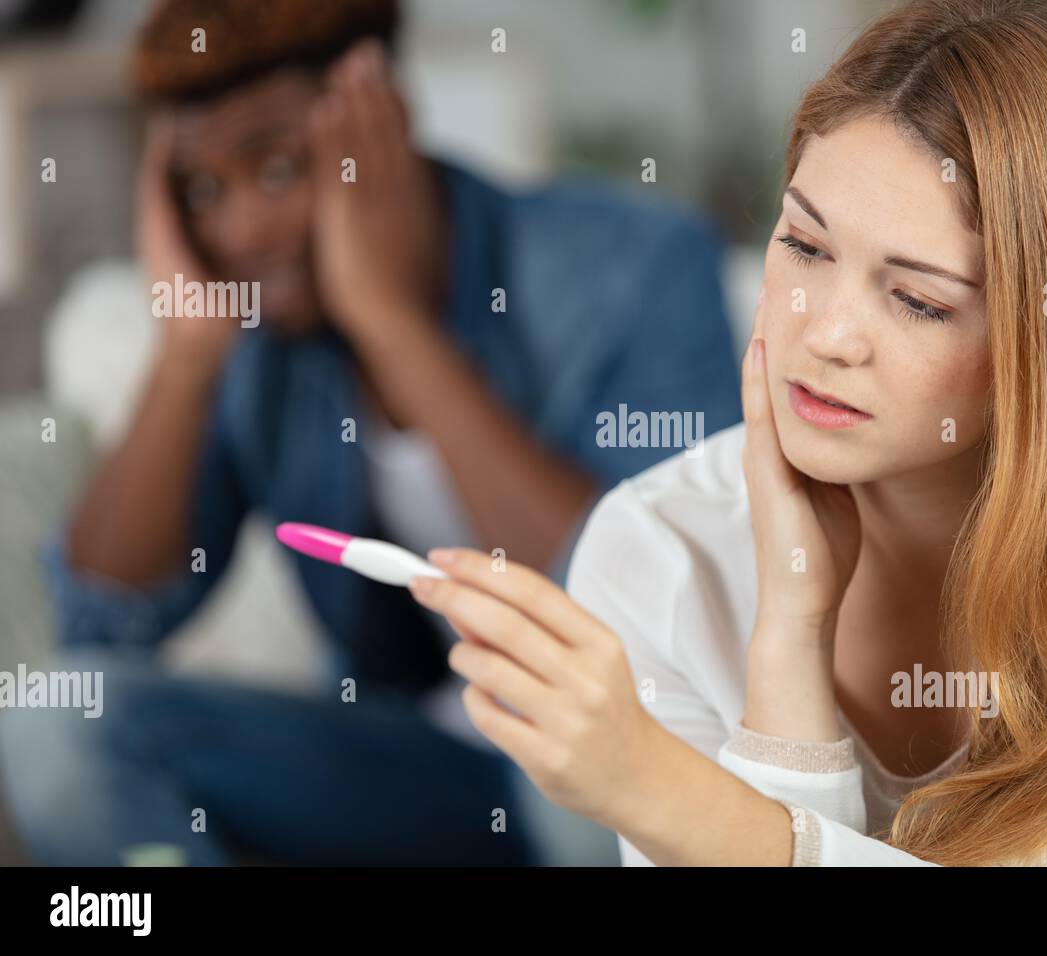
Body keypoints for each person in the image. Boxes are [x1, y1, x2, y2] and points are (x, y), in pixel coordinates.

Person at [405, 0, 1047, 866]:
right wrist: (791, 633)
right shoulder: (659, 548)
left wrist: (670, 797)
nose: (825, 334)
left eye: (917, 299)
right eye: (803, 246)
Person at [0, 0, 741, 865]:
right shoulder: (260, 340)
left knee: (600, 742)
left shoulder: (633, 269)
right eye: (205, 191)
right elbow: (101, 622)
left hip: (604, 773)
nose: (240, 230)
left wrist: (392, 324)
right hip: (413, 778)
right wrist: (187, 355)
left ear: (378, 113)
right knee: (59, 721)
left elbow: (654, 622)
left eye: (276, 170)